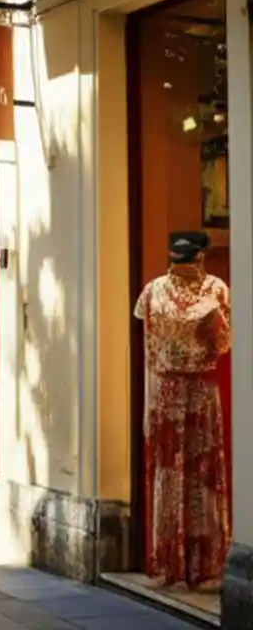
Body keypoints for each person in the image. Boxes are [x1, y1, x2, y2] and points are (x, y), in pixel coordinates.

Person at [134, 230, 232, 592]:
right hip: (178, 391)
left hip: (191, 392)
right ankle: (177, 563)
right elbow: (222, 343)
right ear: (200, 256)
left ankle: (194, 563)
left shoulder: (164, 290)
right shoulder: (200, 291)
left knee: (195, 475)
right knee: (177, 473)